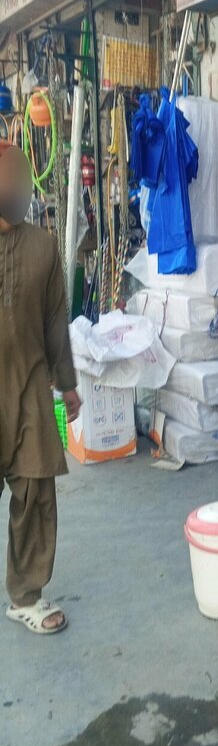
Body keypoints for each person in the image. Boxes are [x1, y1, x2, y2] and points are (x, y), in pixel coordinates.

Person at [0, 142, 80, 634]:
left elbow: (55, 319)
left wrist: (66, 384)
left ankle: (25, 594)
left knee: (35, 488)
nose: (14, 189)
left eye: (18, 179)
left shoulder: (44, 246)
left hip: (28, 384)